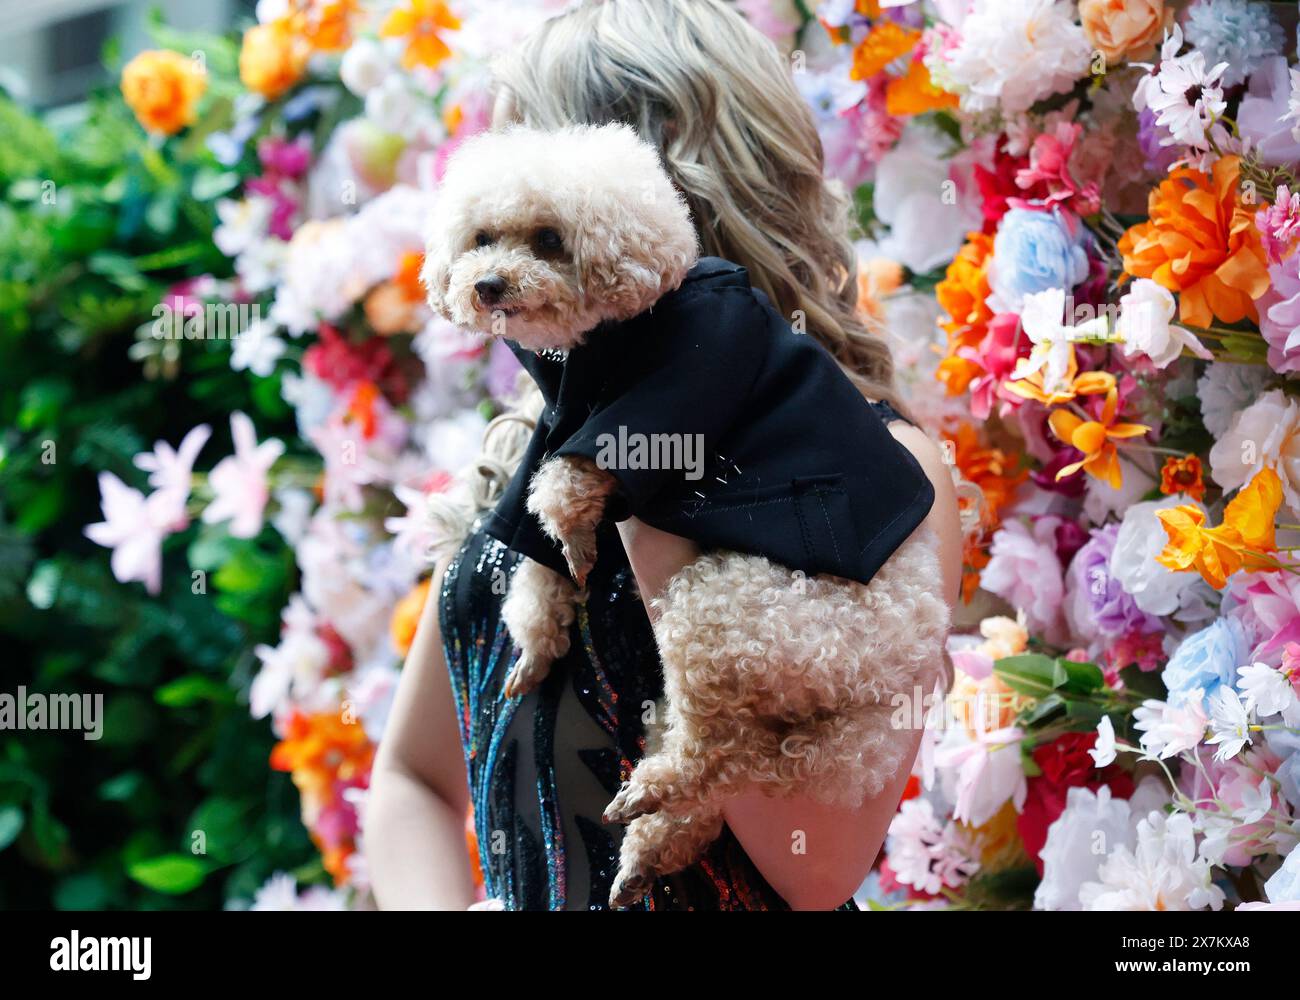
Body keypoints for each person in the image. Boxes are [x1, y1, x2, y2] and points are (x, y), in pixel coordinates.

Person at [365, 0, 963, 911]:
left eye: (543, 221)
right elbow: (413, 776)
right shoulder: (532, 451)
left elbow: (816, 869)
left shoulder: (870, 469)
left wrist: (658, 507)